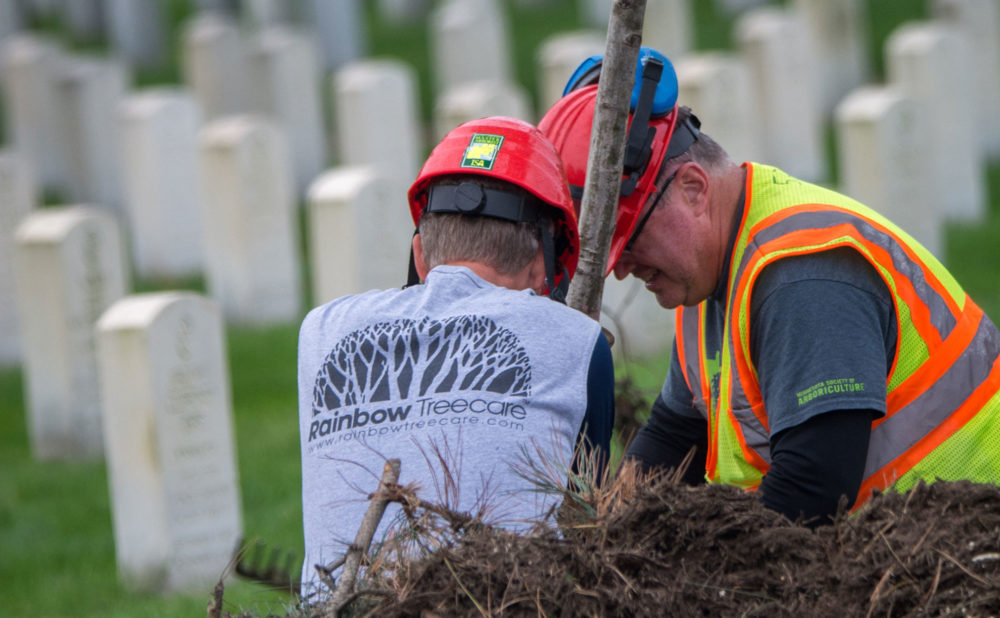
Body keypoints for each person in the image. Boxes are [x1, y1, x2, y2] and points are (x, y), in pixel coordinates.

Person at [539, 47, 1000, 526]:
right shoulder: (710, 271)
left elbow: (812, 489)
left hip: (964, 550)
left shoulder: (799, 274)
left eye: (628, 238)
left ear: (693, 190)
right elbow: (674, 437)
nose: (620, 270)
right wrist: (606, 536)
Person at [297, 116, 615, 599]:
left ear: (420, 255)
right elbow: (583, 523)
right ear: (539, 267)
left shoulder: (319, 332)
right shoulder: (577, 340)